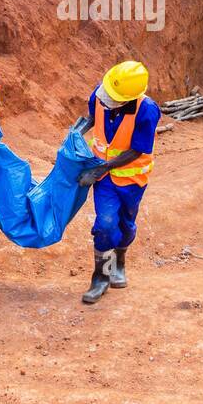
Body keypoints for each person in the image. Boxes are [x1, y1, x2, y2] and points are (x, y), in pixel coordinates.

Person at [73, 61, 158, 304]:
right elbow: (92, 117)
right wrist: (77, 132)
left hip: (132, 180)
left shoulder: (146, 111)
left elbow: (136, 151)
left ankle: (120, 260)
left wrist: (102, 167)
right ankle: (101, 278)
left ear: (129, 99)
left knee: (126, 225)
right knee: (105, 224)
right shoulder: (102, 94)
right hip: (105, 180)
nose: (106, 98)